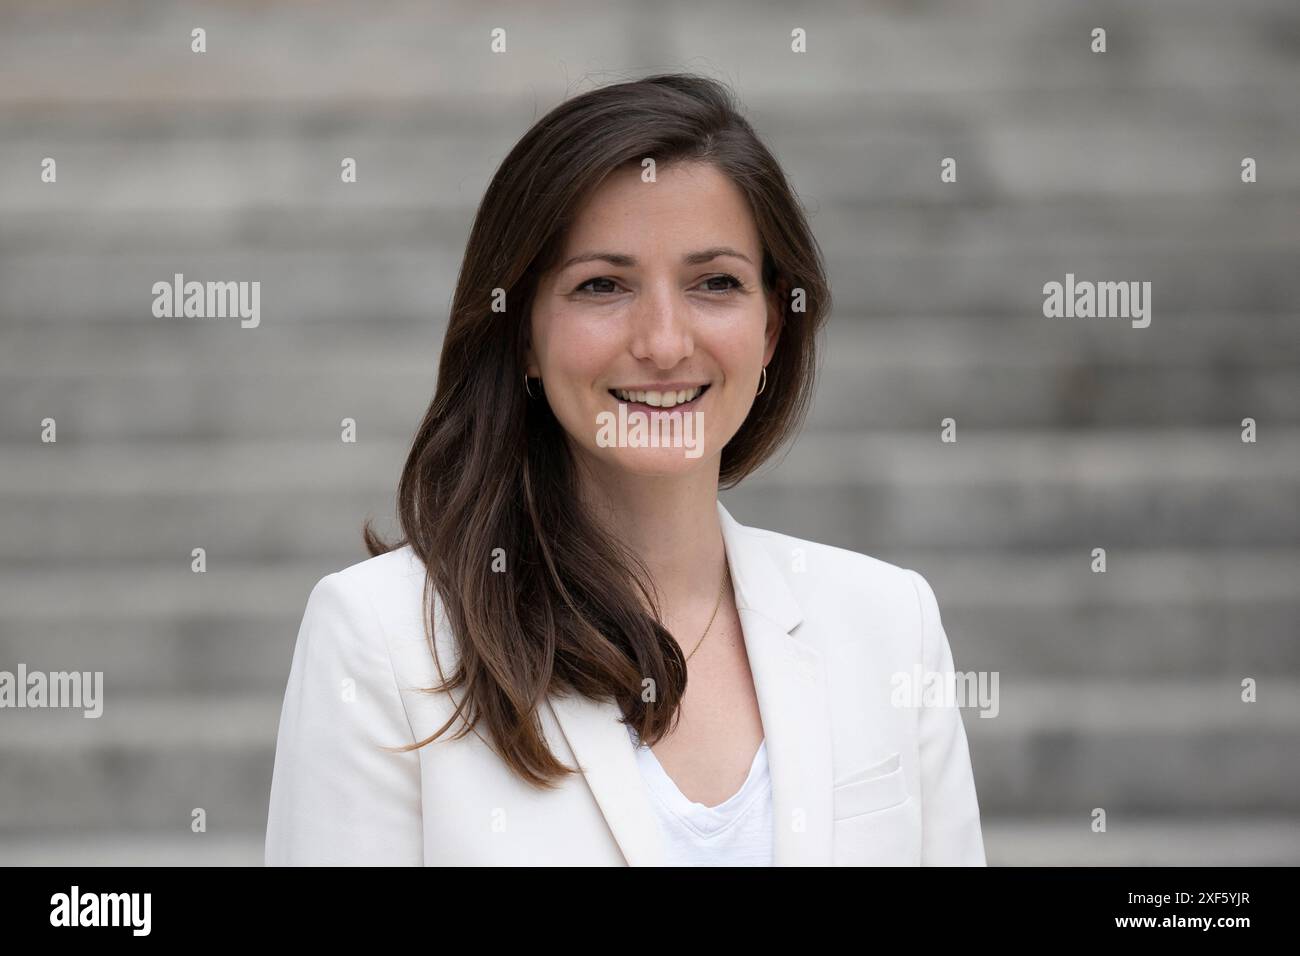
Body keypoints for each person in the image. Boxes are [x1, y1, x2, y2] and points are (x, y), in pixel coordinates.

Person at [265, 73, 986, 866]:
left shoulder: (889, 624)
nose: (665, 343)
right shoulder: (379, 638)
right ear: (521, 334)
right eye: (602, 286)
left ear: (774, 325)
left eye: (716, 283)